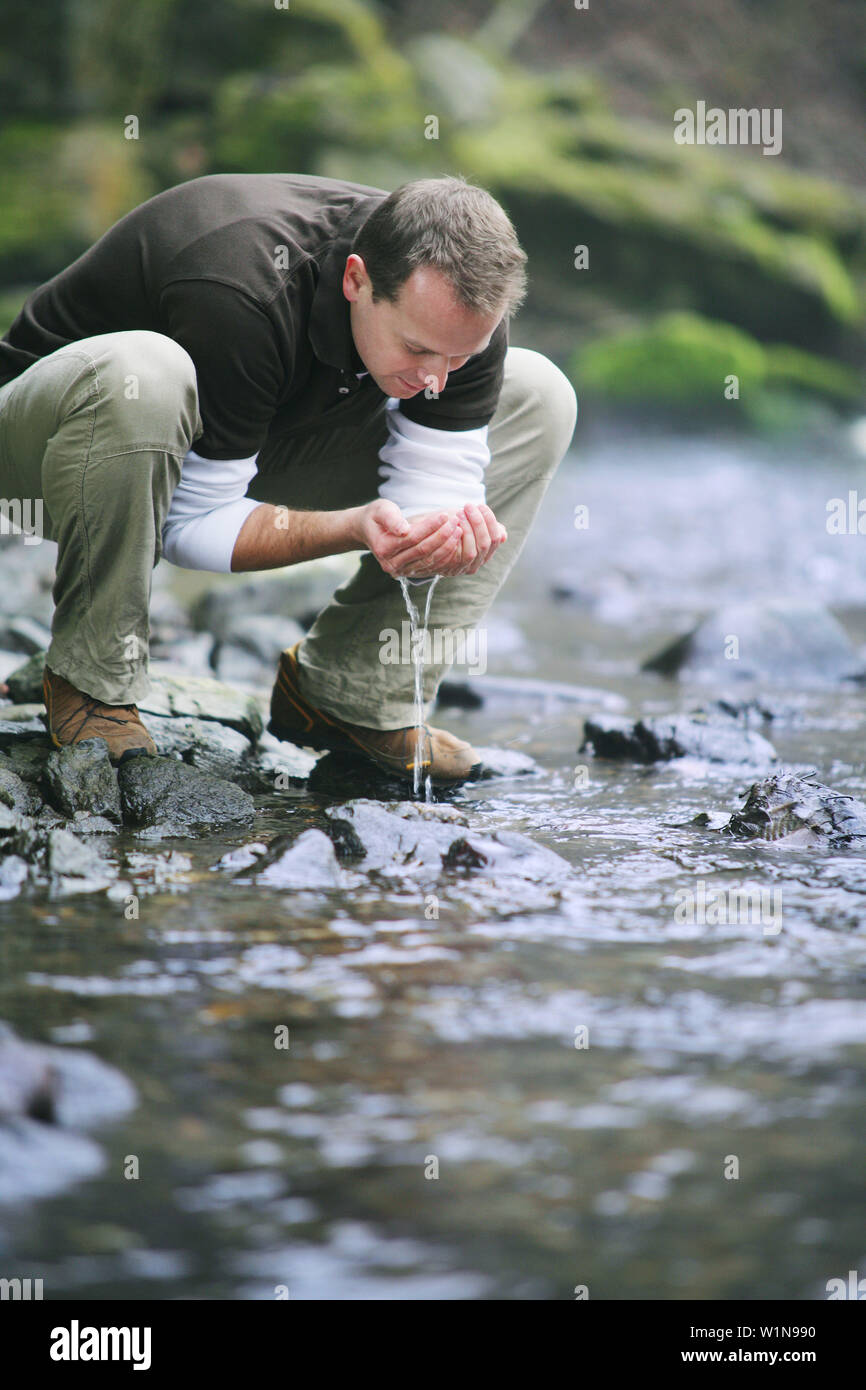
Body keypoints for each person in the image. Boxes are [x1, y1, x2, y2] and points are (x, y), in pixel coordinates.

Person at [0, 172, 577, 784]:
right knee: (146, 372)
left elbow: (429, 496)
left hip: (241, 445)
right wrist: (353, 528)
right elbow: (186, 528)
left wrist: (440, 535)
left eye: (457, 358)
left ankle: (354, 696)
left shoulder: (461, 309)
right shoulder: (241, 284)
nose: (437, 379)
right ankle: (92, 682)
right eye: (416, 350)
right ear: (356, 279)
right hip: (52, 453)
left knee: (539, 394)